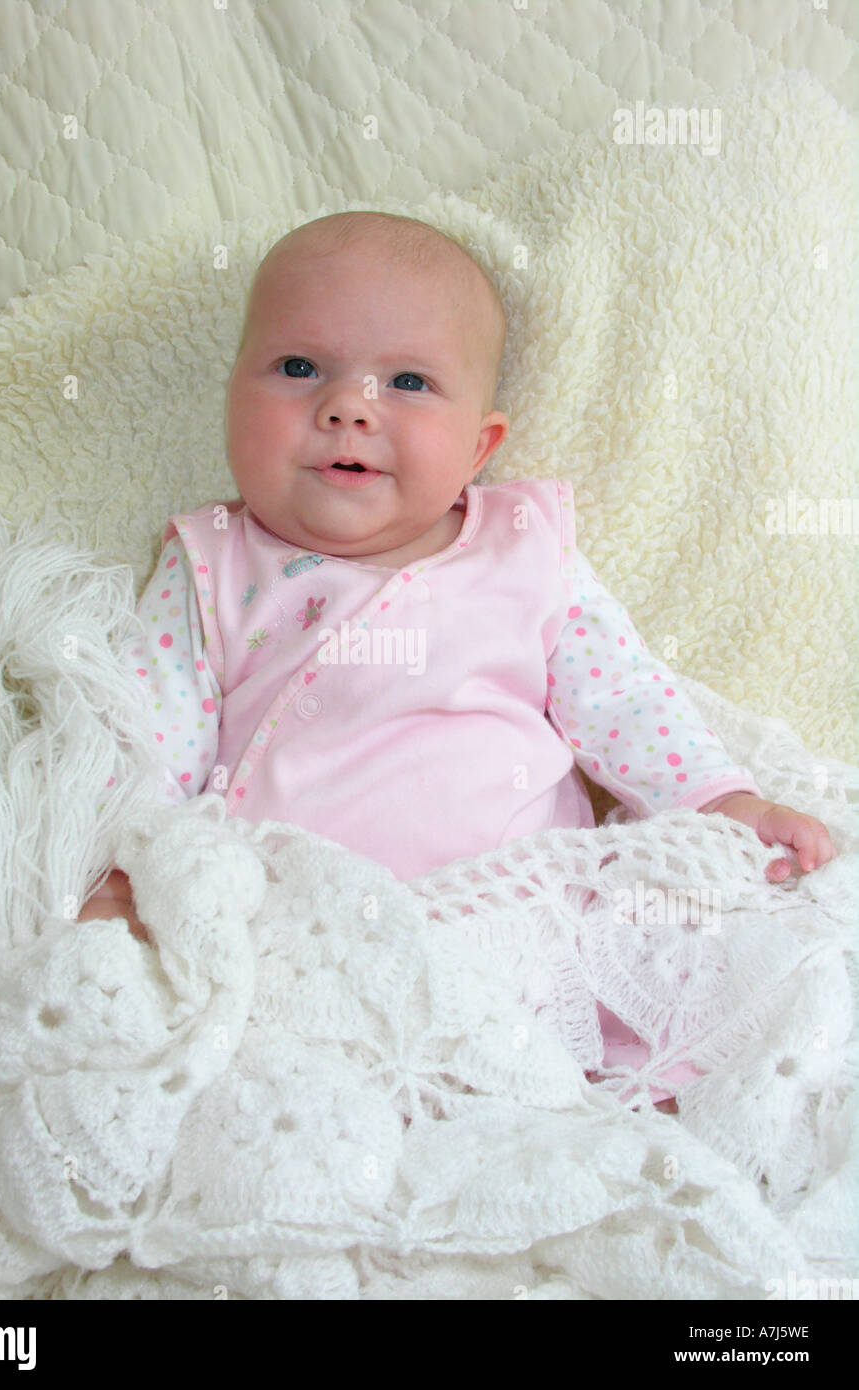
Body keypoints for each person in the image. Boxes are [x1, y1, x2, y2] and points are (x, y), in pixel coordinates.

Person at [80, 210, 837, 1111]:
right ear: (231, 396)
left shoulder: (523, 551)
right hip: (301, 935)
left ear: (480, 447)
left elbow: (624, 696)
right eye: (298, 368)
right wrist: (132, 864)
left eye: (407, 381)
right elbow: (145, 731)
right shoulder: (215, 563)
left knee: (698, 1026)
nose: (347, 406)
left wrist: (718, 800)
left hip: (519, 928)